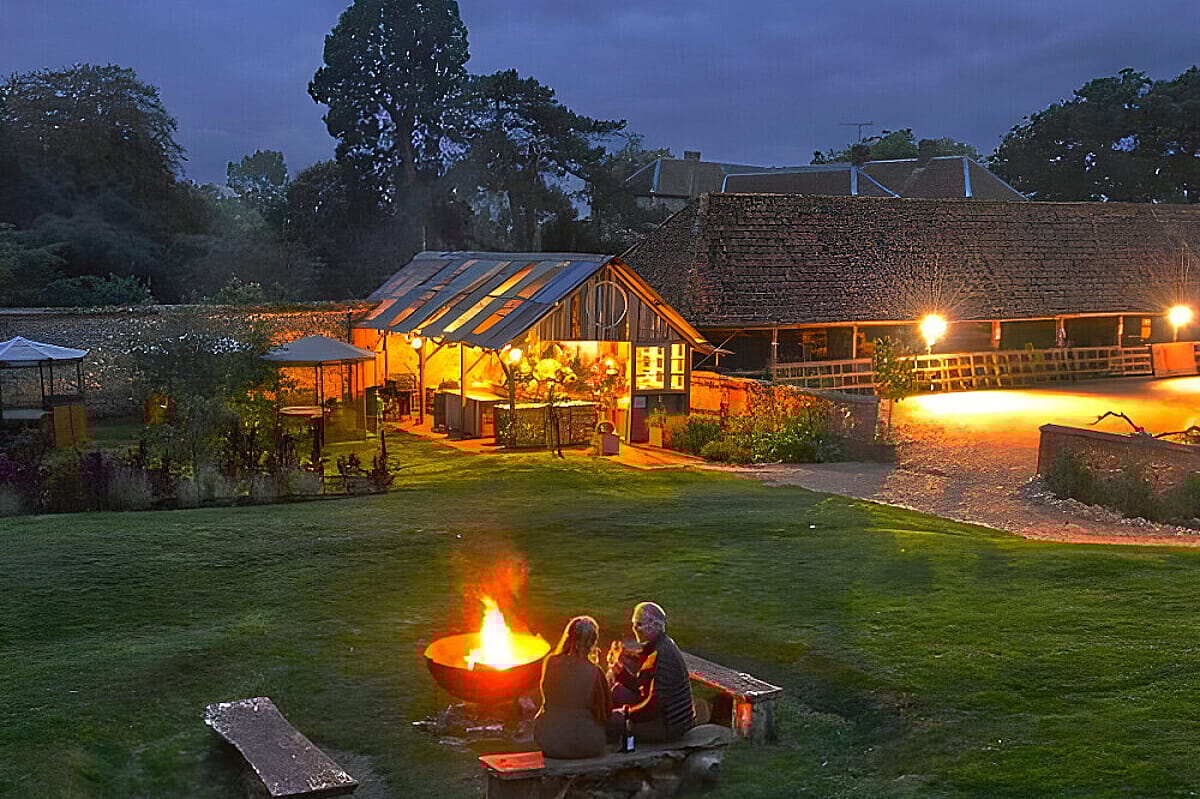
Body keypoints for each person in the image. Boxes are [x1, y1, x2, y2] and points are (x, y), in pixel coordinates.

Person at [606, 601, 695, 743]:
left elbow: (653, 706)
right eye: (634, 624)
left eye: (639, 624)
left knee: (609, 722)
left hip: (670, 726)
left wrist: (625, 714)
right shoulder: (655, 647)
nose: (635, 628)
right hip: (662, 715)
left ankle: (613, 745)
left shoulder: (663, 655)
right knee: (617, 691)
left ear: (654, 625)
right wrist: (618, 669)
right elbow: (640, 685)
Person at [533, 616, 611, 759]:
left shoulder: (550, 662)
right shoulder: (595, 672)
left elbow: (547, 697)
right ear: (592, 642)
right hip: (584, 743)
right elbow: (604, 713)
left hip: (549, 740)